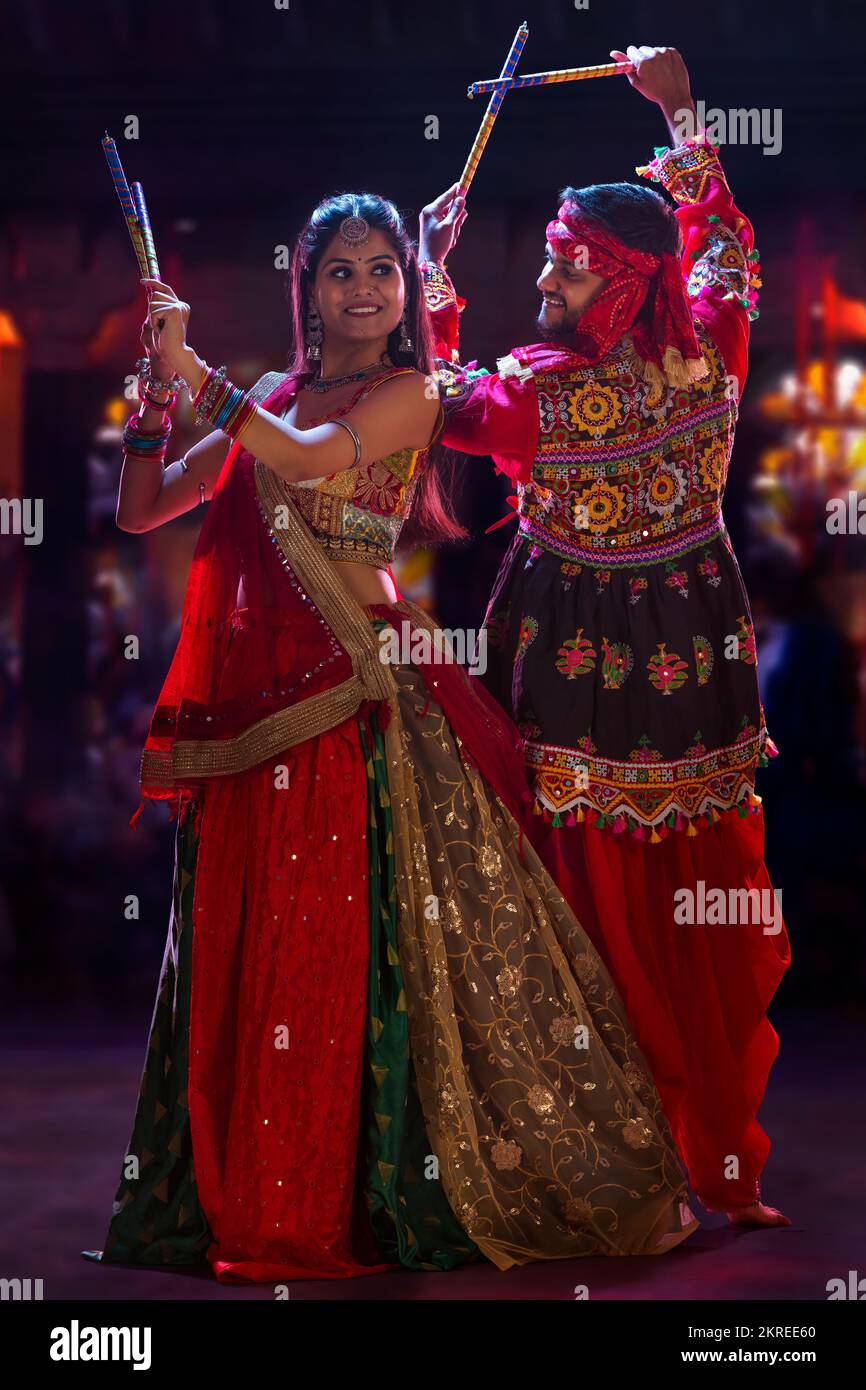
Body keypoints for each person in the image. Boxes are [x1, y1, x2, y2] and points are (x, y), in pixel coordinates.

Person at [82, 191, 698, 1285]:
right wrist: (150, 398)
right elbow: (144, 508)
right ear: (306, 288)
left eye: (382, 270)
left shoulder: (408, 391)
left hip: (355, 702)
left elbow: (315, 463)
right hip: (254, 719)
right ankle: (251, 1185)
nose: (365, 289)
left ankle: (351, 1185)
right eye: (340, 272)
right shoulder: (268, 393)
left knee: (344, 954)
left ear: (407, 290)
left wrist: (198, 377)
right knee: (254, 946)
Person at [418, 46, 791, 1228]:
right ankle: (710, 1156)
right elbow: (723, 245)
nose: (543, 282)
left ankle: (612, 1164)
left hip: (572, 667)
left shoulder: (533, 395)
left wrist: (432, 285)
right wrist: (680, 110)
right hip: (694, 655)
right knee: (699, 905)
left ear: (624, 279)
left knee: (583, 908)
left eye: (564, 267)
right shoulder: (712, 352)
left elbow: (441, 404)